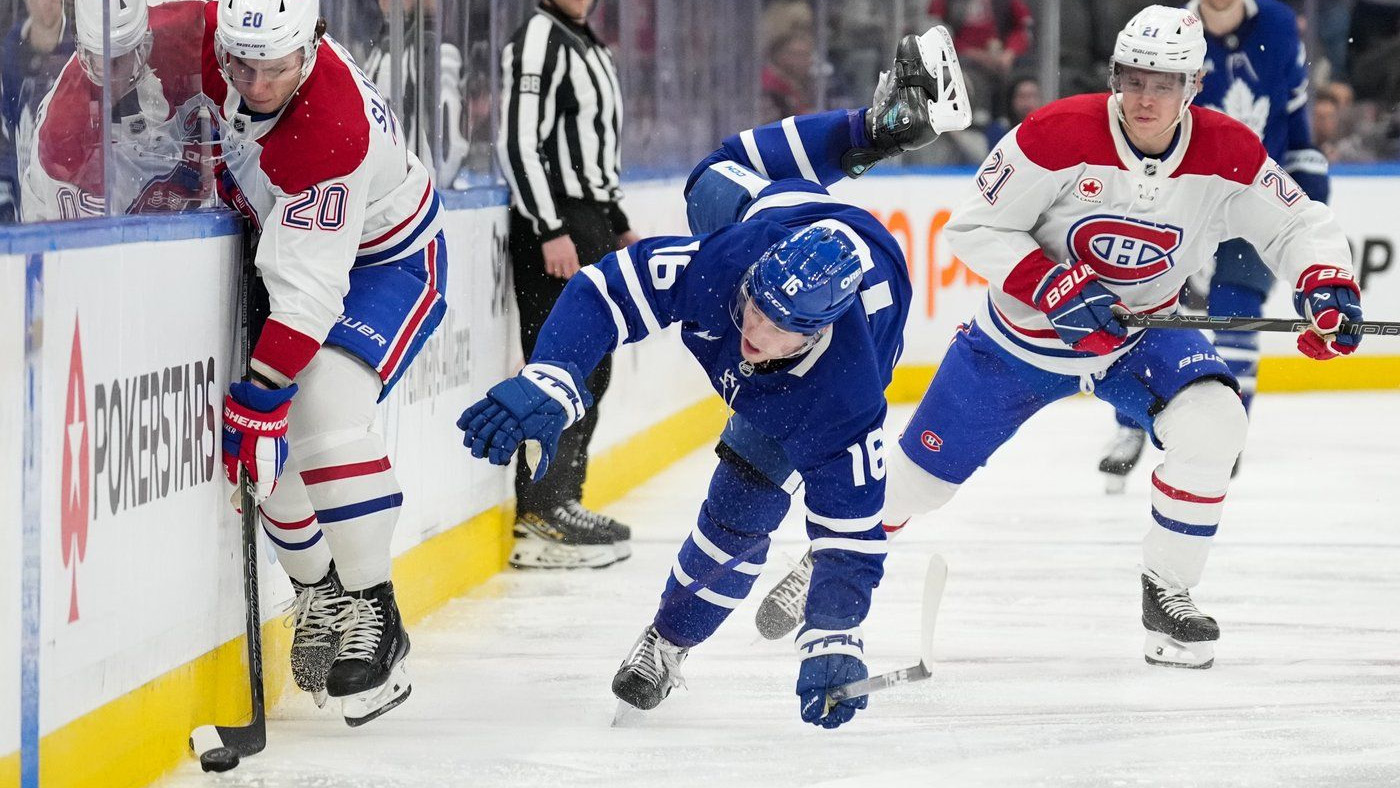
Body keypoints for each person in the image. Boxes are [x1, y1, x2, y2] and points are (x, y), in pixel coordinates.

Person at [758, 6, 1362, 671]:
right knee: (918, 485)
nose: (1145, 98)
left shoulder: (1229, 151)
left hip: (1138, 341)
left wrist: (1325, 281)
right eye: (1133, 79)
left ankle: (1168, 595)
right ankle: (827, 558)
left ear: (1194, 86)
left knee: (1216, 422)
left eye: (1163, 84)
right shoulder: (1055, 133)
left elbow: (1296, 224)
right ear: (1114, 76)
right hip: (1015, 344)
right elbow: (974, 228)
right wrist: (1055, 285)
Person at [460, 28, 969, 728]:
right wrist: (555, 375)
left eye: (775, 326)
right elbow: (601, 290)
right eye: (753, 306)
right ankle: (873, 129)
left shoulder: (840, 399)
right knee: (714, 177)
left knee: (739, 514)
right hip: (777, 218)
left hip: (828, 363)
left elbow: (852, 538)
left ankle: (668, 640)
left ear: (816, 331)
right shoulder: (724, 266)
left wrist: (833, 635)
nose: (750, 332)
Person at [206, 0, 447, 726]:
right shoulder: (211, 30)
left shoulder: (329, 131)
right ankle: (319, 592)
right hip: (296, 243)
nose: (255, 82)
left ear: (310, 45)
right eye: (240, 65)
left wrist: (266, 390)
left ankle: (377, 609)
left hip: (388, 263)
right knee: (260, 448)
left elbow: (311, 292)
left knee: (317, 411)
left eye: (275, 67)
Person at [1097, 0, 1332, 491]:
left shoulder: (1279, 25)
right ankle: (1131, 424)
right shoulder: (1165, 32)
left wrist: (1309, 223)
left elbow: (1295, 117)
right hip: (1181, 197)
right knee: (1153, 313)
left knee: (1236, 307)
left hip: (1254, 194)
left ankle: (1228, 439)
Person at [497, 0, 636, 570]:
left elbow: (596, 150)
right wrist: (549, 226)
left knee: (593, 366)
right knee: (559, 364)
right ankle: (540, 511)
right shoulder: (539, 38)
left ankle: (562, 500)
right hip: (556, 223)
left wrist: (617, 222)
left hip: (590, 220)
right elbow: (518, 142)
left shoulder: (585, 41)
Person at [20, 0, 211, 223]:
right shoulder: (64, 127)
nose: (111, 78)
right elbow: (92, 246)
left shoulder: (186, 29)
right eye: (100, 62)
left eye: (119, 60)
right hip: (57, 212)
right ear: (83, 53)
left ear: (143, 44)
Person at [0, 0, 73, 222]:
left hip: (68, 203)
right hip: (24, 207)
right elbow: (5, 142)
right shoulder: (8, 54)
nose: (46, 3)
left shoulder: (82, 50)